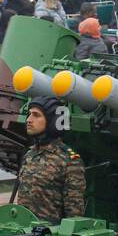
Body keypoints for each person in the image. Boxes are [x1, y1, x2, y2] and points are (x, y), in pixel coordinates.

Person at [14, 96, 85, 224]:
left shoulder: (69, 160)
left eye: (36, 115)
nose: (29, 120)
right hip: (24, 231)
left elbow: (75, 215)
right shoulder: (29, 155)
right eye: (29, 115)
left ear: (52, 121)